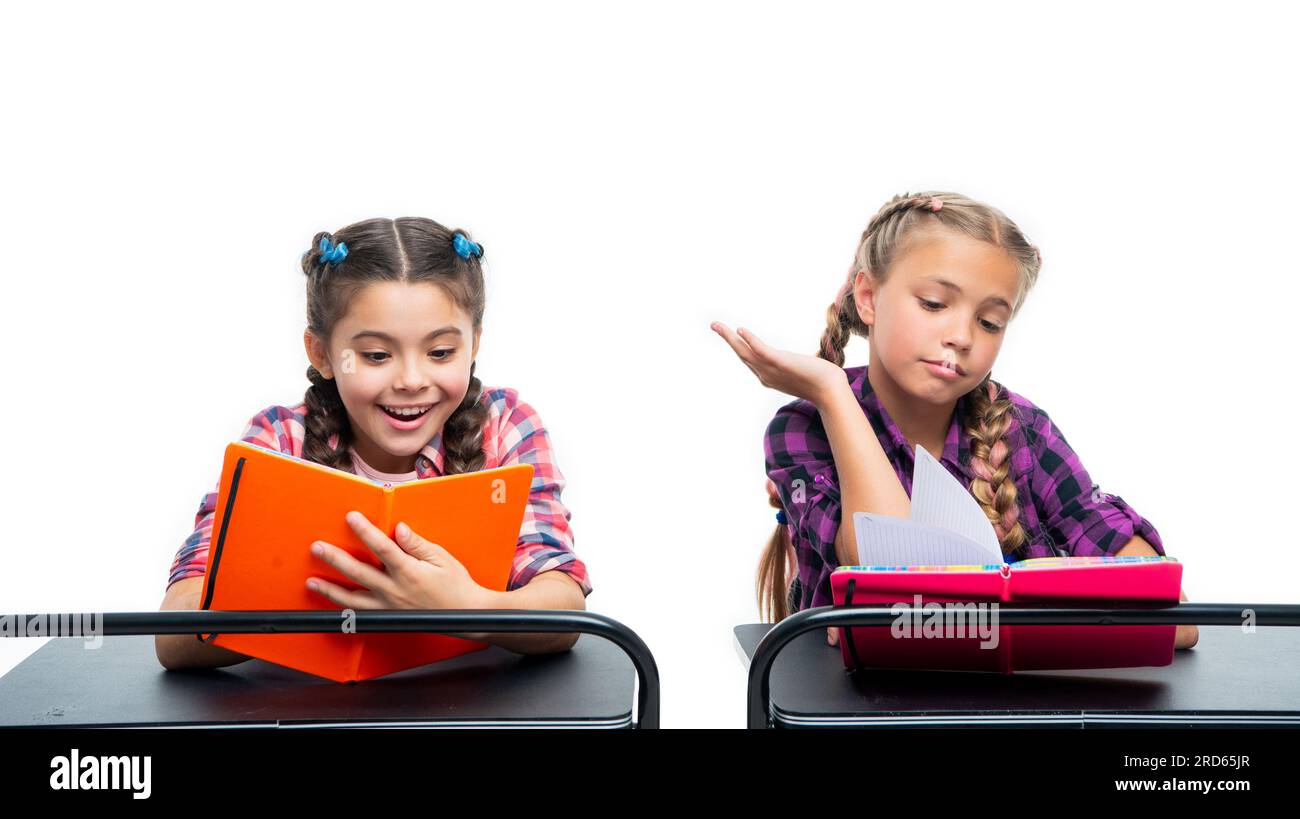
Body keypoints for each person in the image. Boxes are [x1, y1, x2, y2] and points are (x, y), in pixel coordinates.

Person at [713, 191, 1197, 650]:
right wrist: (832, 394)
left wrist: (971, 615)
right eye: (934, 304)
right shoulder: (804, 426)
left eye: (989, 322)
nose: (962, 336)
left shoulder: (1025, 431)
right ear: (868, 297)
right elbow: (888, 573)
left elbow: (1173, 616)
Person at [156, 217, 590, 670]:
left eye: (440, 352)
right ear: (322, 353)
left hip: (464, 710)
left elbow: (563, 607)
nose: (410, 380)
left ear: (474, 344)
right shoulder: (280, 440)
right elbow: (175, 635)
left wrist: (465, 608)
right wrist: (321, 601)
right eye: (376, 356)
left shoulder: (505, 427)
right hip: (304, 711)